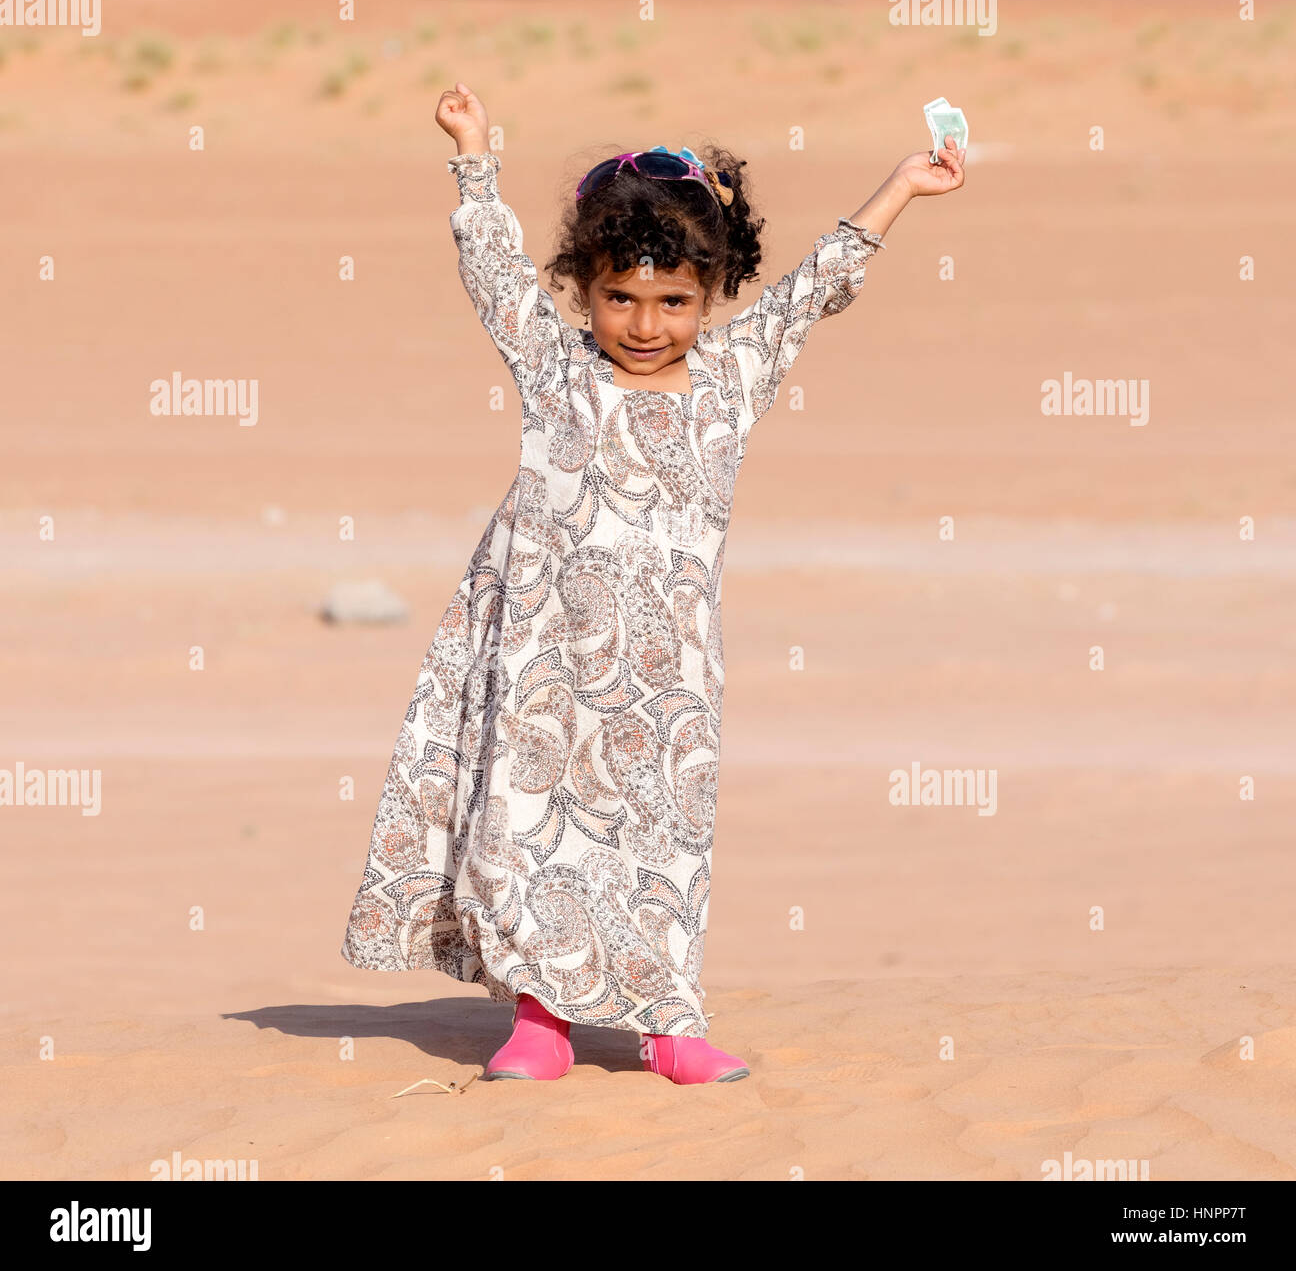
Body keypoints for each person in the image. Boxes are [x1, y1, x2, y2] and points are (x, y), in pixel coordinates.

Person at [341, 81, 966, 1084]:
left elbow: (818, 286)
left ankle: (667, 1026)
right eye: (620, 297)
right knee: (534, 829)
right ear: (584, 288)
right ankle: (540, 1023)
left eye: (674, 300)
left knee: (661, 837)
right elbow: (493, 267)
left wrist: (901, 186)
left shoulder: (733, 377)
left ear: (709, 294)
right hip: (543, 657)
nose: (645, 322)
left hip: (668, 675)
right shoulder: (556, 368)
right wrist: (473, 153)